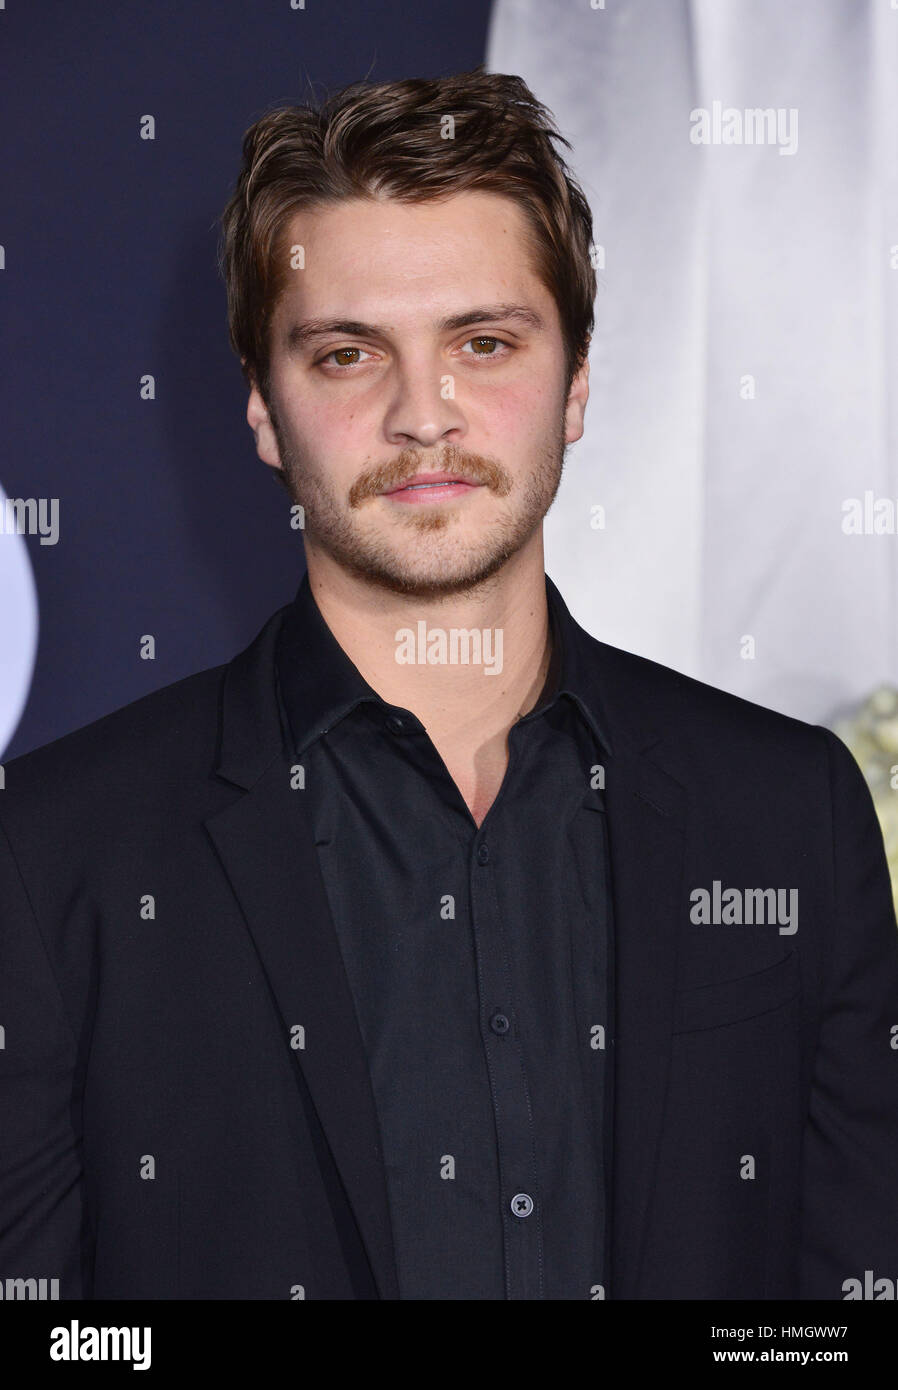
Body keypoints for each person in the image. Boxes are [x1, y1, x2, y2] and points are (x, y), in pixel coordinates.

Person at [1, 66, 897, 1301]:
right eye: (348, 353)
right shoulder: (58, 853)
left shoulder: (786, 814)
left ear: (576, 385)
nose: (425, 414)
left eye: (484, 342)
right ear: (263, 409)